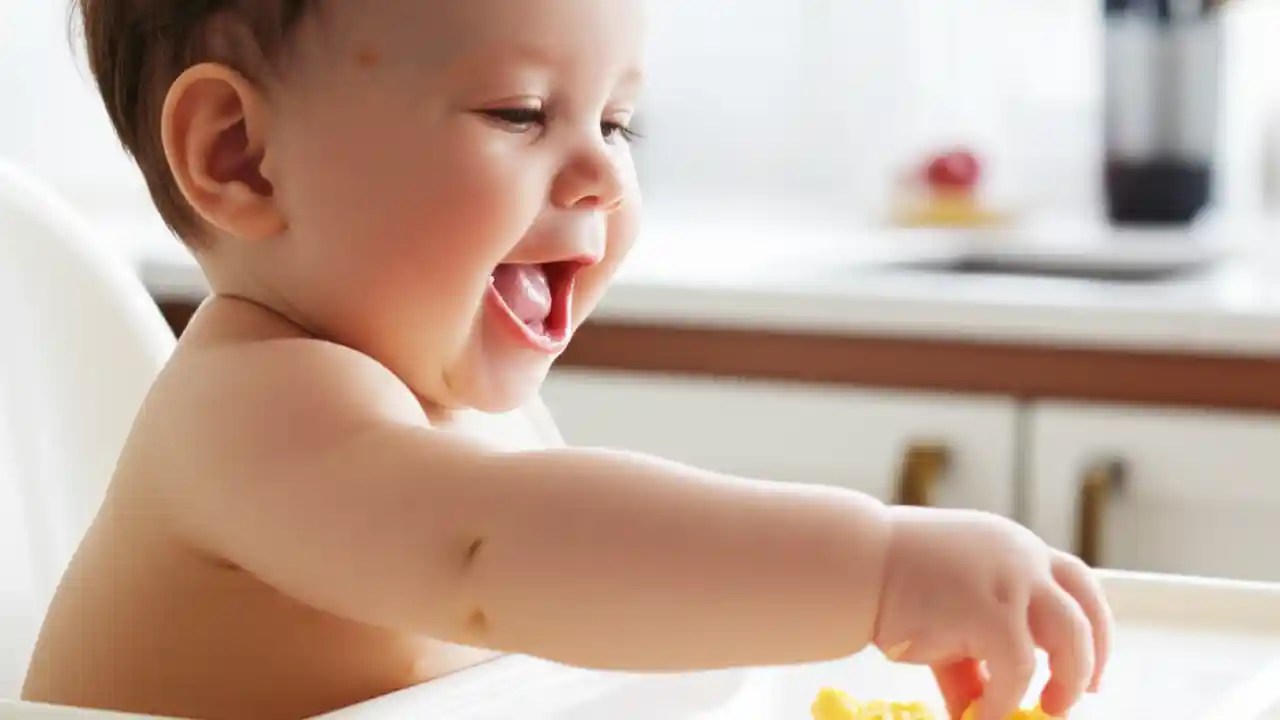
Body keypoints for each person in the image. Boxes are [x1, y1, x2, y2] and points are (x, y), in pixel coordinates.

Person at [23, 2, 1111, 718]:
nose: (599, 172)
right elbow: (498, 553)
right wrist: (876, 572)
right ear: (239, 156)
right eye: (522, 112)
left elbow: (587, 613)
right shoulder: (254, 409)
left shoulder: (451, 415)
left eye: (619, 121)